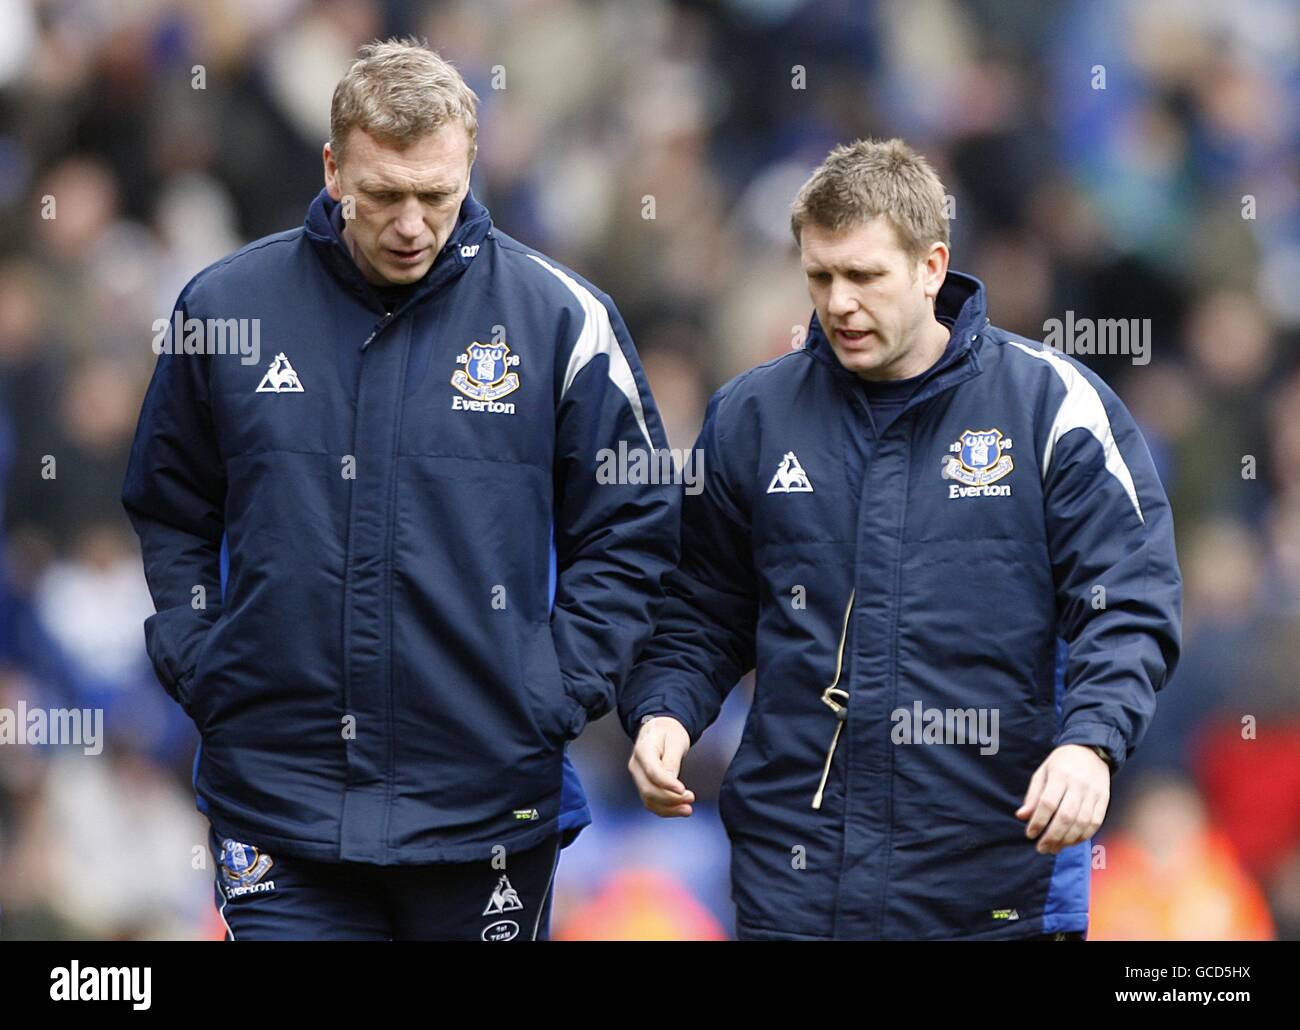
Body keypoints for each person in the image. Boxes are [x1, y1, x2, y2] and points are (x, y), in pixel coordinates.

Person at [122, 38, 678, 941]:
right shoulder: (224, 310)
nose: (412, 224)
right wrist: (203, 656)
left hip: (487, 807)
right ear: (334, 168)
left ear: (470, 167)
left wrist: (552, 687)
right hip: (278, 801)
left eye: (438, 196)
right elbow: (170, 503)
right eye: (384, 195)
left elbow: (637, 522)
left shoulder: (562, 320)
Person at [622, 138, 1182, 941]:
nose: (839, 302)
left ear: (931, 266)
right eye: (820, 276)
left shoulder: (1051, 409)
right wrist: (668, 714)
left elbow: (1127, 605)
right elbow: (701, 607)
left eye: (865, 276)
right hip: (796, 892)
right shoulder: (751, 416)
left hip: (997, 892)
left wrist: (1091, 745)